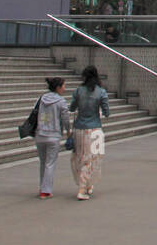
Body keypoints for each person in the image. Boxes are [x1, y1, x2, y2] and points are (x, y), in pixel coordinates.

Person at [70, 65, 110, 200]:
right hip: (95, 129)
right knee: (93, 158)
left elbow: (72, 107)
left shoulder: (78, 91)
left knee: (80, 157)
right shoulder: (101, 92)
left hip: (79, 128)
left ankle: (86, 185)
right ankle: (83, 188)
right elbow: (106, 112)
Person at [35, 76, 71, 198]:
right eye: (63, 86)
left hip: (40, 133)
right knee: (50, 163)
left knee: (43, 162)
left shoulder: (41, 99)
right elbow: (65, 118)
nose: (64, 88)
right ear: (58, 87)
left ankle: (42, 187)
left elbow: (35, 113)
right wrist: (68, 130)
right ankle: (46, 190)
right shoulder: (61, 101)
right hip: (53, 135)